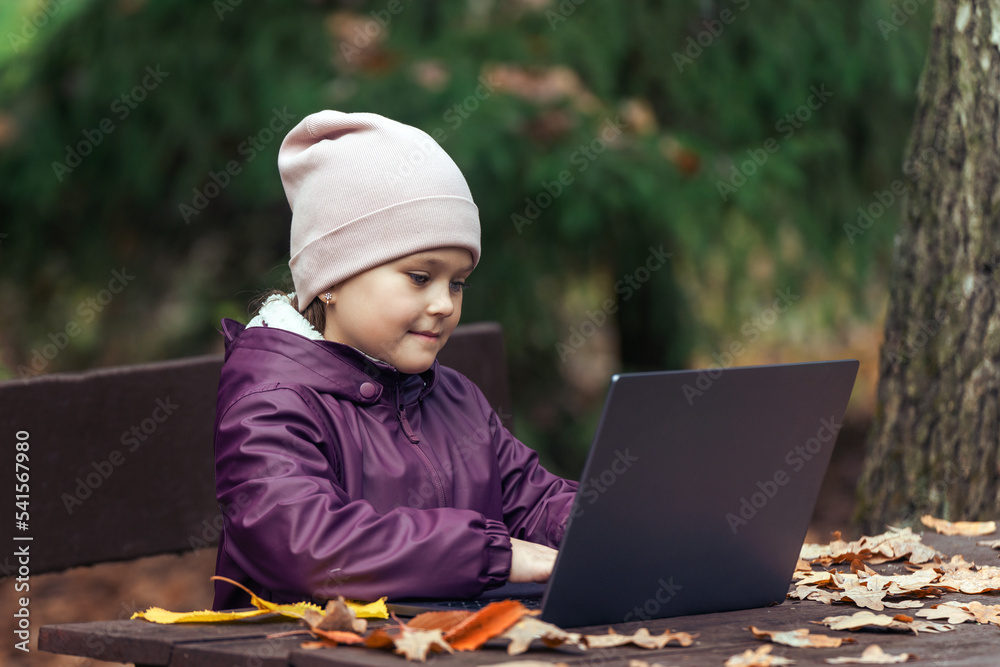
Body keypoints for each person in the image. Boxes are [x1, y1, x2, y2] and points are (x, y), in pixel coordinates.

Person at [212, 110, 579, 610]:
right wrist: (489, 554)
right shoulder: (270, 402)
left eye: (457, 282)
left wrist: (607, 526)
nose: (445, 305)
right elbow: (308, 546)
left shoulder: (451, 397)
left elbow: (533, 500)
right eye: (420, 277)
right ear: (332, 280)